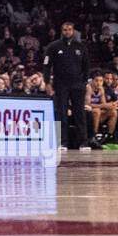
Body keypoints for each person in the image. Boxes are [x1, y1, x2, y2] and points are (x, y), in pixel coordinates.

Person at [42, 21, 89, 150]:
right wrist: (47, 83)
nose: (67, 32)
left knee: (80, 113)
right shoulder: (53, 47)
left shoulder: (81, 47)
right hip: (60, 84)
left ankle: (83, 142)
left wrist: (84, 82)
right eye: (64, 30)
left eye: (69, 29)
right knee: (60, 112)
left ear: (73, 31)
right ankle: (62, 142)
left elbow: (86, 66)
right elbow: (46, 66)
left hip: (77, 85)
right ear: (61, 31)